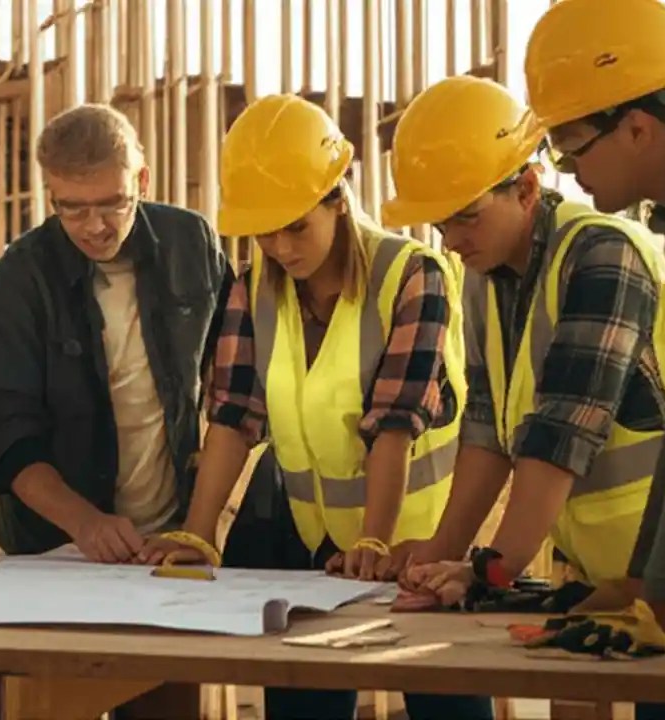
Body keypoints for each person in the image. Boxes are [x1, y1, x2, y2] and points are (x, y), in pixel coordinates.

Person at [138, 92, 490, 720]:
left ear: (338, 197)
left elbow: (396, 423)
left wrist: (378, 541)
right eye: (264, 231)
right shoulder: (253, 290)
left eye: (296, 225)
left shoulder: (414, 276)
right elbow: (232, 416)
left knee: (444, 707)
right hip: (316, 552)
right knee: (304, 705)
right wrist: (197, 531)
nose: (280, 246)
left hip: (423, 549)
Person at [385, 73, 665, 633]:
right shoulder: (484, 271)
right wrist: (443, 549)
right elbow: (489, 425)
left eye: (466, 215)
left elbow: (562, 431)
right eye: (441, 222)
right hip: (603, 567)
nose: (452, 239)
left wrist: (494, 569)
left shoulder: (603, 257)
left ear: (526, 188)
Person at [515, 0, 665, 716]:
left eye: (573, 151)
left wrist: (664, 604)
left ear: (638, 126)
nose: (569, 176)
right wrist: (644, 584)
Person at [0, 103, 231, 563]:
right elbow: (10, 438)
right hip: (54, 548)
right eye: (72, 209)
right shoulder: (20, 277)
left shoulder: (192, 245)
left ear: (143, 181)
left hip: (172, 541)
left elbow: (239, 398)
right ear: (50, 192)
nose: (94, 226)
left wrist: (200, 527)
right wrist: (84, 524)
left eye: (113, 203)